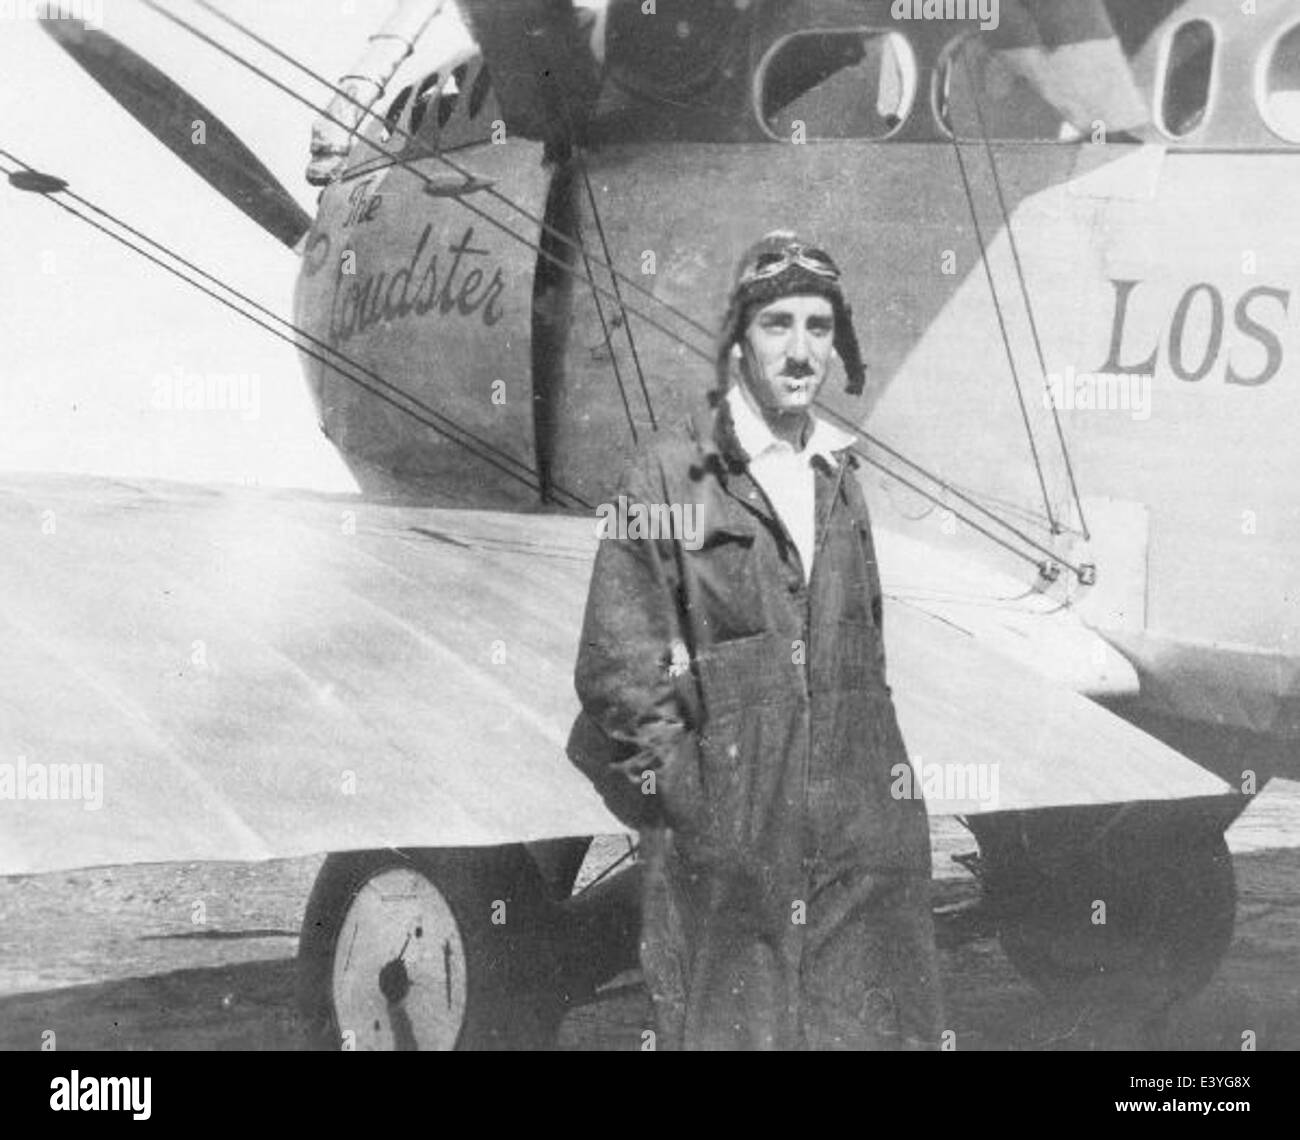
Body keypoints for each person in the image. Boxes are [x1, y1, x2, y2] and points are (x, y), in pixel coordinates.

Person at [568, 230, 942, 1050]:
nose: (802, 351)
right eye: (778, 324)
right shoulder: (666, 478)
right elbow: (617, 671)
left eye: (818, 326)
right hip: (729, 865)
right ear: (739, 338)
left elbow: (865, 664)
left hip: (856, 849)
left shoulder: (839, 481)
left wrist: (889, 820)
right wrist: (701, 815)